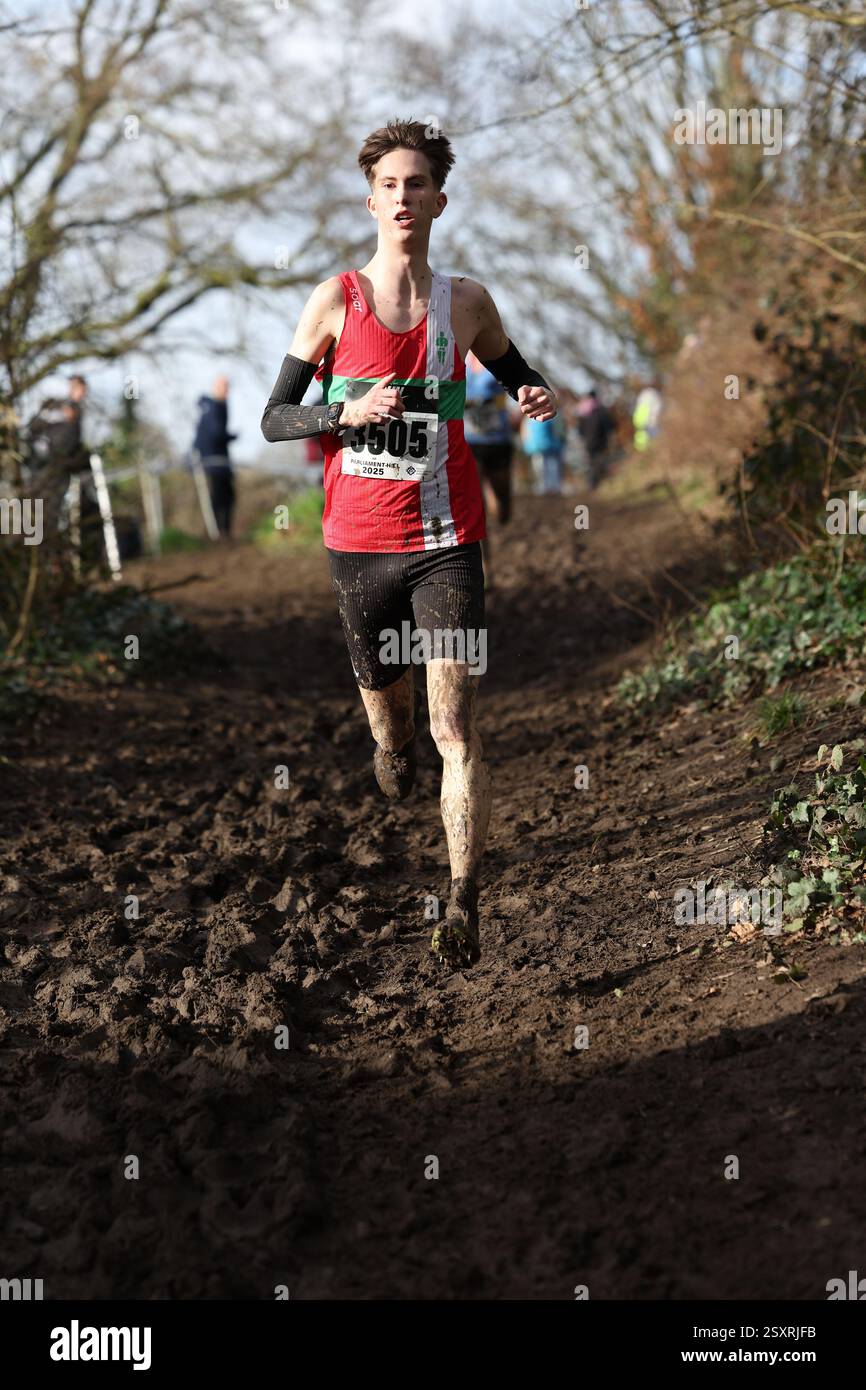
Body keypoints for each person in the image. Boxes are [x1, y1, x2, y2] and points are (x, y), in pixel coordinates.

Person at [260, 118, 556, 969]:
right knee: (390, 724)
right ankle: (386, 748)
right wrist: (342, 412)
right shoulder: (333, 300)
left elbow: (515, 371)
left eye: (416, 184)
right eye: (389, 185)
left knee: (454, 728)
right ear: (371, 200)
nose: (402, 197)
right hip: (358, 546)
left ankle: (463, 902)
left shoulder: (467, 302)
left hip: (448, 540)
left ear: (438, 200)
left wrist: (533, 394)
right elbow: (277, 418)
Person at [463, 347, 514, 584]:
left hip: (498, 441)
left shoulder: (495, 356)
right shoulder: (460, 360)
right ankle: (486, 567)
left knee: (501, 504)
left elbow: (515, 385)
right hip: (469, 442)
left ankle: (500, 503)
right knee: (476, 506)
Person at [24, 374, 90, 540]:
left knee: (53, 508)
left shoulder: (76, 411)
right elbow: (33, 428)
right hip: (44, 466)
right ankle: (34, 546)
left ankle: (46, 547)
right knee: (37, 506)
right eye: (73, 387)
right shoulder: (56, 407)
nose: (76, 391)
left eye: (78, 387)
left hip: (60, 468)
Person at [193, 374, 237, 537]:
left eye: (227, 387)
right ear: (215, 388)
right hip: (212, 461)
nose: (226, 391)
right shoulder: (214, 407)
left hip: (219, 460)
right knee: (219, 496)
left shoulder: (218, 406)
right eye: (223, 387)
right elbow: (215, 434)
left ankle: (223, 531)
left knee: (227, 496)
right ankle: (218, 532)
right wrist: (231, 437)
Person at [577, 388, 616, 488]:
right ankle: (598, 483)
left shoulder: (582, 411)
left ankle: (592, 483)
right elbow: (610, 425)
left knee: (591, 463)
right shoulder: (601, 410)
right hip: (601, 441)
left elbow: (579, 429)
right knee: (600, 462)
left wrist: (583, 437)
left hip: (588, 442)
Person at [523, 409, 565, 495]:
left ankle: (543, 488)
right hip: (551, 446)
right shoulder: (554, 414)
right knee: (552, 468)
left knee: (539, 470)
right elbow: (559, 431)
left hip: (535, 447)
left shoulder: (528, 417)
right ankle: (554, 488)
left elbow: (525, 432)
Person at [633, 380, 663, 452]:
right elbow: (645, 409)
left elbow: (640, 409)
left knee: (643, 445)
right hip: (651, 423)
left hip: (643, 423)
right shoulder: (652, 394)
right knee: (653, 445)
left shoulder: (643, 394)